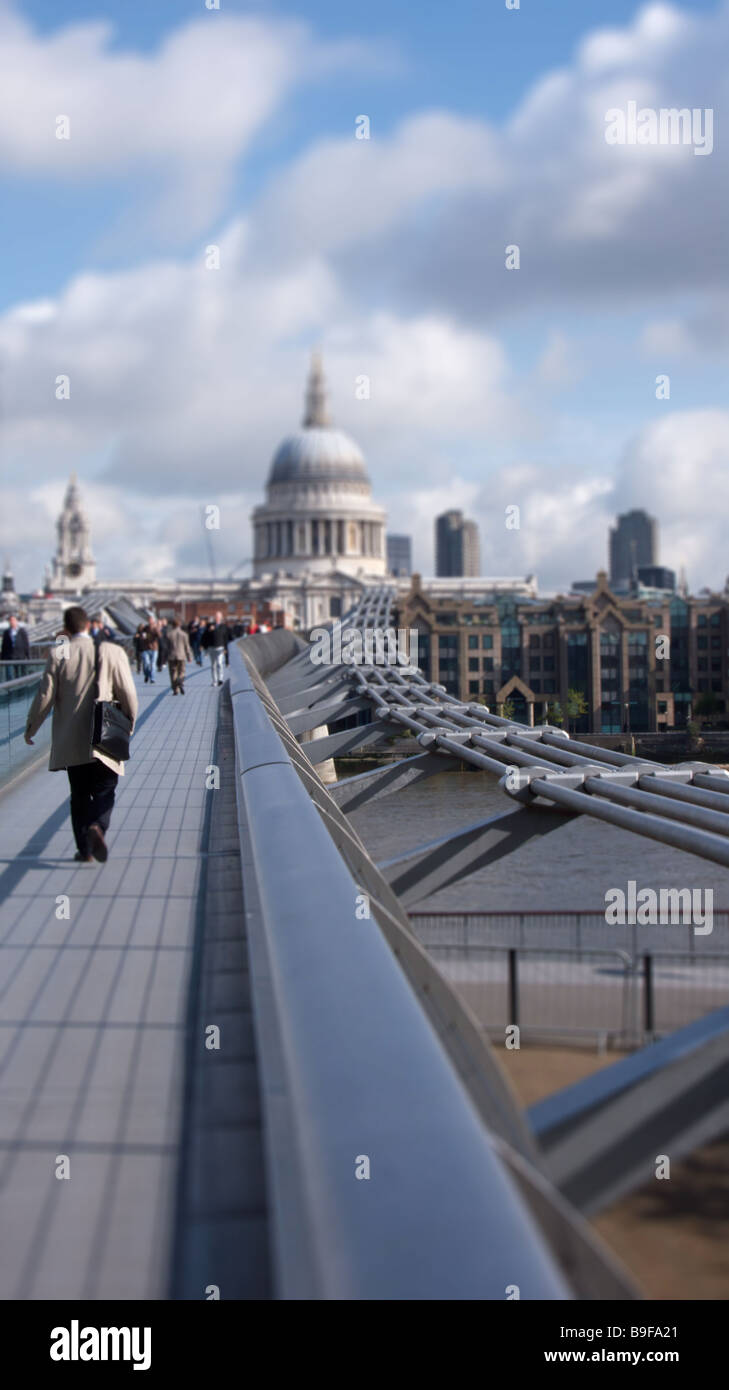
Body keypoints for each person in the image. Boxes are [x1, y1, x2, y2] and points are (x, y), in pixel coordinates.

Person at [23, 606, 137, 864]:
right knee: (107, 788)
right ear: (88, 625)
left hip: (72, 739)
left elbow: (45, 696)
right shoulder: (112, 651)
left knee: (79, 795)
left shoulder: (59, 653)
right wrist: (129, 723)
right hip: (105, 736)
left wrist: (31, 728)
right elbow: (128, 693)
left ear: (68, 627)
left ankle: (84, 851)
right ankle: (99, 825)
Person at [201, 610, 231, 687]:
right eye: (216, 616)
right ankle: (214, 681)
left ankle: (220, 679)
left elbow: (226, 639)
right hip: (211, 648)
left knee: (219, 664)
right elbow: (204, 637)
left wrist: (226, 652)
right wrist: (209, 630)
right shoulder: (210, 625)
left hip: (220, 648)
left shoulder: (224, 627)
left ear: (221, 618)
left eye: (218, 617)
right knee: (213, 665)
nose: (217, 618)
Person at [166, 618, 192, 695]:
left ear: (172, 625)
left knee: (173, 672)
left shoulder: (169, 634)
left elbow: (167, 647)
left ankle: (175, 689)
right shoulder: (184, 634)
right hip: (181, 655)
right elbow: (187, 647)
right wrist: (189, 656)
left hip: (172, 655)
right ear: (179, 625)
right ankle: (180, 680)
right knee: (182, 671)